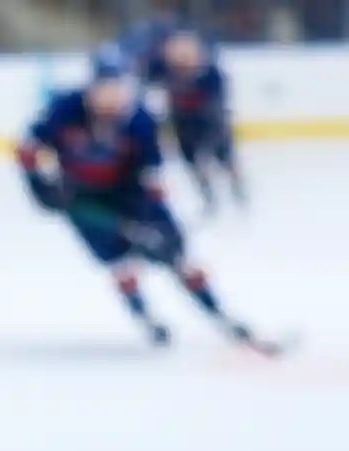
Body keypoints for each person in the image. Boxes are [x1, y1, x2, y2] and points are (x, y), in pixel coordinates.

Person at [14, 47, 270, 353]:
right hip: (82, 198)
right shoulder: (65, 109)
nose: (113, 98)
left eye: (120, 89)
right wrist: (38, 184)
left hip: (129, 193)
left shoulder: (141, 121)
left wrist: (152, 222)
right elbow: (28, 147)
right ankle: (147, 318)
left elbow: (151, 175)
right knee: (120, 262)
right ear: (92, 88)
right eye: (105, 89)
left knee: (179, 257)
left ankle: (222, 316)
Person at [157, 29, 246, 214]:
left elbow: (217, 104)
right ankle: (209, 199)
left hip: (212, 124)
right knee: (194, 164)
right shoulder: (168, 73)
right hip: (184, 127)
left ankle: (239, 192)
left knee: (224, 160)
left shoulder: (211, 74)